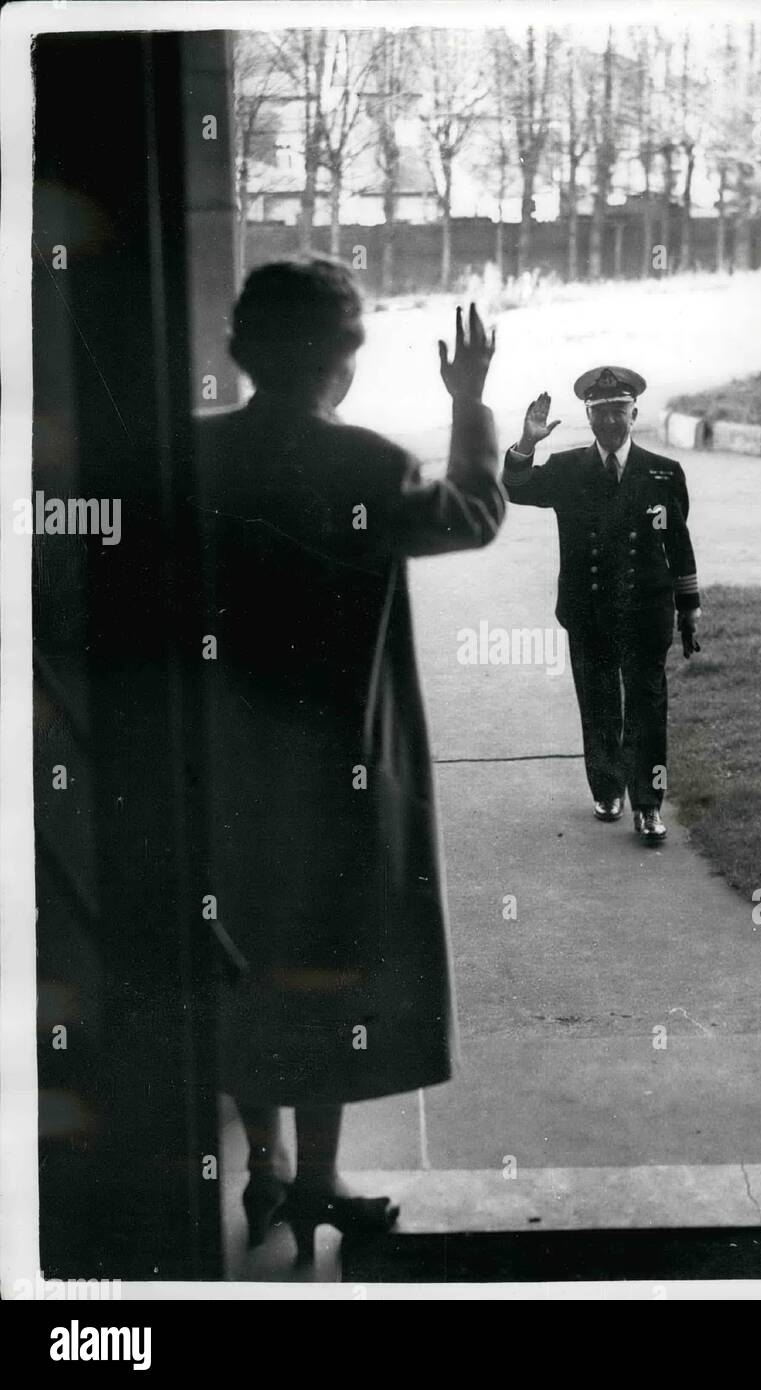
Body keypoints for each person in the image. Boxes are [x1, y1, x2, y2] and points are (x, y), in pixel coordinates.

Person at [192, 258, 503, 1263]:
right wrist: (470, 405)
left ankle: (262, 1168)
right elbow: (474, 515)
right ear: (344, 355)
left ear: (242, 347)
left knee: (249, 949)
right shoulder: (364, 464)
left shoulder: (193, 458)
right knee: (327, 957)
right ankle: (318, 1181)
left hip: (226, 756)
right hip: (337, 760)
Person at [501, 367, 701, 843]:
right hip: (588, 611)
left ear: (635, 414)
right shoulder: (568, 470)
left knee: (648, 708)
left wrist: (688, 606)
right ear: (588, 418)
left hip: (647, 612)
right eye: (600, 413)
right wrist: (526, 443)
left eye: (619, 411)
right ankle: (607, 788)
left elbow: (679, 541)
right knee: (599, 703)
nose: (610, 422)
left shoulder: (662, 472)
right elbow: (515, 489)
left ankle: (648, 806)